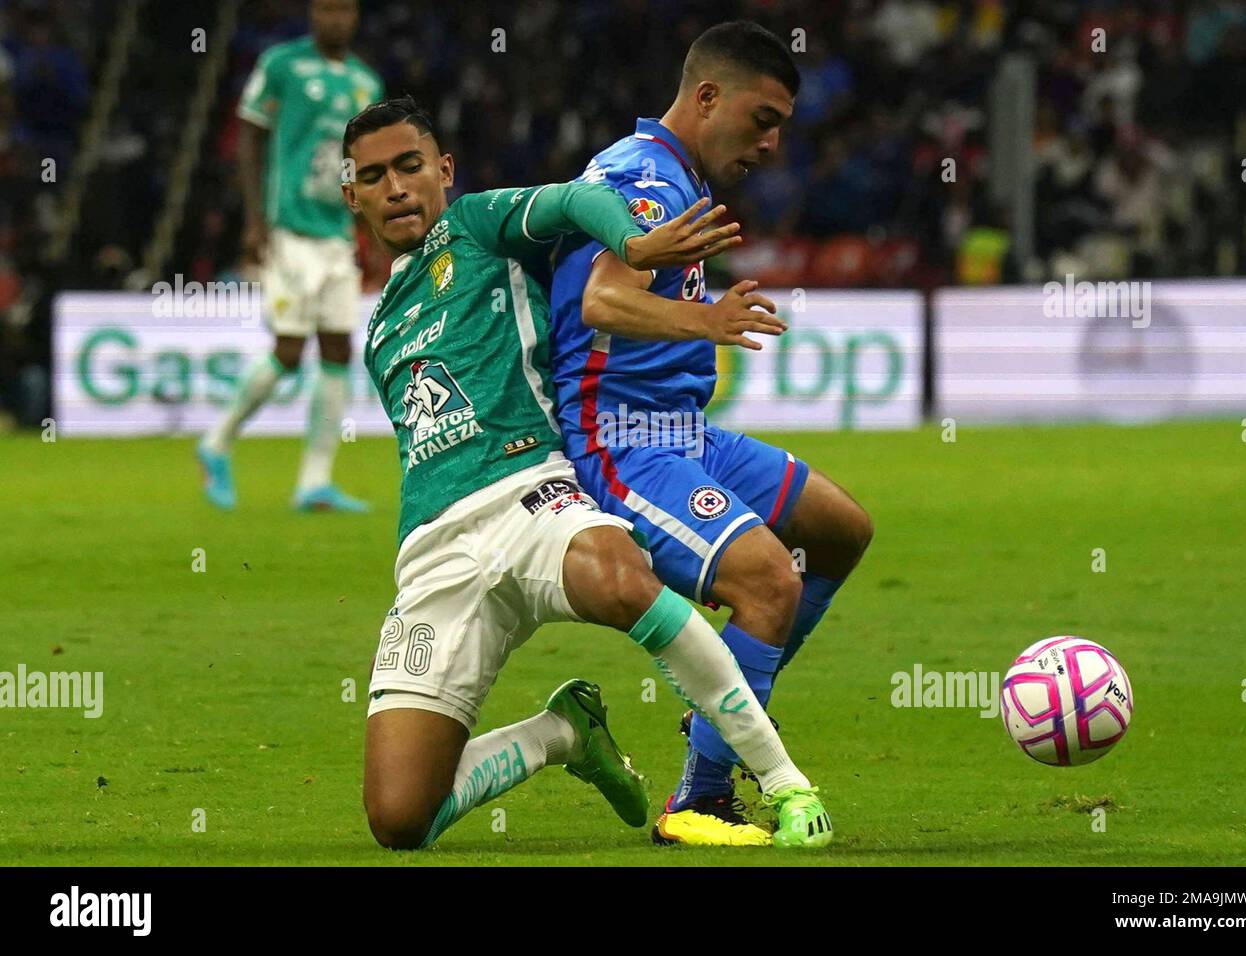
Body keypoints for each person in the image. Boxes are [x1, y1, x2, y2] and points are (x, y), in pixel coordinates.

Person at [342, 96, 833, 850]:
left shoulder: (478, 225)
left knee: (621, 577)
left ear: (443, 169)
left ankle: (785, 784)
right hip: (435, 553)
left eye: (410, 166)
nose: (396, 187)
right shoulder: (379, 326)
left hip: (530, 494)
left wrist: (633, 247)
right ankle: (562, 735)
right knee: (400, 818)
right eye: (374, 177)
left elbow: (578, 199)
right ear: (353, 196)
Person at [550, 21, 874, 846]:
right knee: (769, 584)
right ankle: (700, 796)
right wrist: (708, 317)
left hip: (686, 432)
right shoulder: (644, 182)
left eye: (781, 128)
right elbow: (603, 301)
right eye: (761, 120)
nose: (771, 144)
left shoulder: (672, 175)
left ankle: (713, 722)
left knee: (838, 531)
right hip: (620, 442)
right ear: (706, 97)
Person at [198, 0, 381, 512]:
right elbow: (249, 138)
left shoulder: (367, 83)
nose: (337, 19)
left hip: (337, 237)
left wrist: (369, 236)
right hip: (290, 231)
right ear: (312, 13)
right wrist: (255, 220)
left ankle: (314, 482)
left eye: (346, 10)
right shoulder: (282, 64)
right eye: (327, 9)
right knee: (289, 350)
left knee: (339, 349)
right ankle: (215, 442)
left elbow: (367, 167)